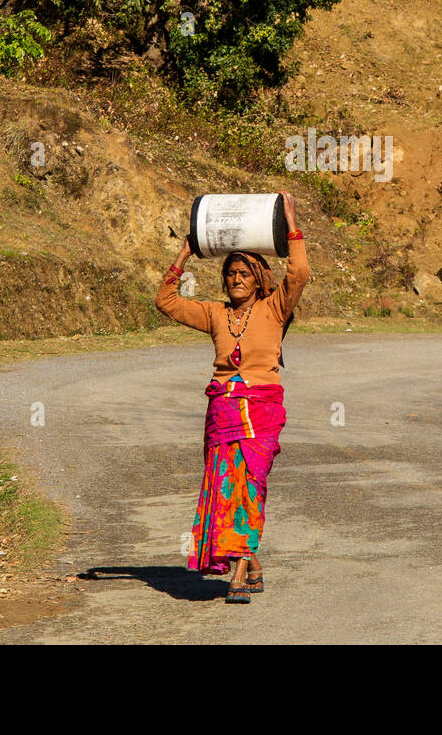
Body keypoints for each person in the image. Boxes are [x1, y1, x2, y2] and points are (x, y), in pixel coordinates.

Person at [155, 191, 309, 602]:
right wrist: (184, 254)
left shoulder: (274, 308)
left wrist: (292, 225)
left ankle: (237, 574)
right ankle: (251, 564)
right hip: (222, 411)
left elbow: (299, 274)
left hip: (261, 411)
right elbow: (165, 302)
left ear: (258, 279)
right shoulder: (214, 314)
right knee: (226, 490)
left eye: (244, 274)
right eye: (230, 274)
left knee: (248, 488)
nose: (236, 279)